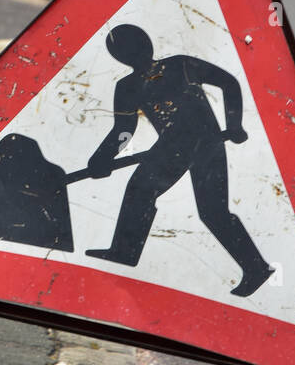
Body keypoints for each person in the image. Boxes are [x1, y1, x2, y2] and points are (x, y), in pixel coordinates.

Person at [85, 24, 274, 297]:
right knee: (143, 192)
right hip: (174, 147)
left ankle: (256, 268)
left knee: (207, 209)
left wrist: (234, 123)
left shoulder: (181, 65)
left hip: (205, 142)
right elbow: (124, 129)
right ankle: (124, 251)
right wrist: (102, 157)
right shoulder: (128, 86)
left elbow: (228, 83)